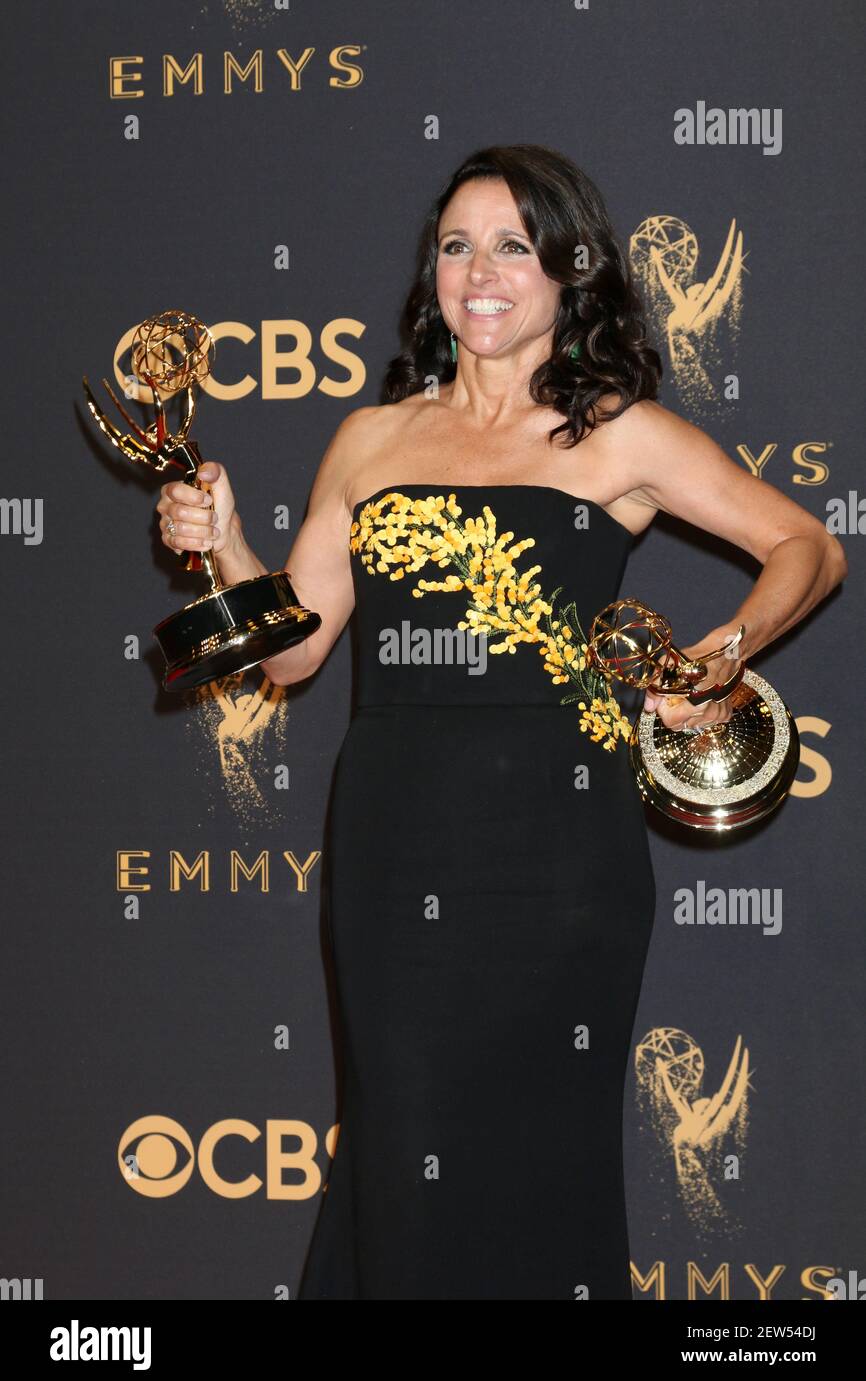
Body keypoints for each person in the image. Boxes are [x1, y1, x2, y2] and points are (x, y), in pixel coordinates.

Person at [157, 145, 847, 1299]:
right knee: (397, 1146)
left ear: (568, 271)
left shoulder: (613, 434)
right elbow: (296, 647)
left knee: (539, 1163)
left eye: (511, 245)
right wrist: (224, 540)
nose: (478, 273)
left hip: (558, 864)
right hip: (394, 851)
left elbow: (808, 546)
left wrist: (714, 658)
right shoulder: (371, 440)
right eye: (455, 246)